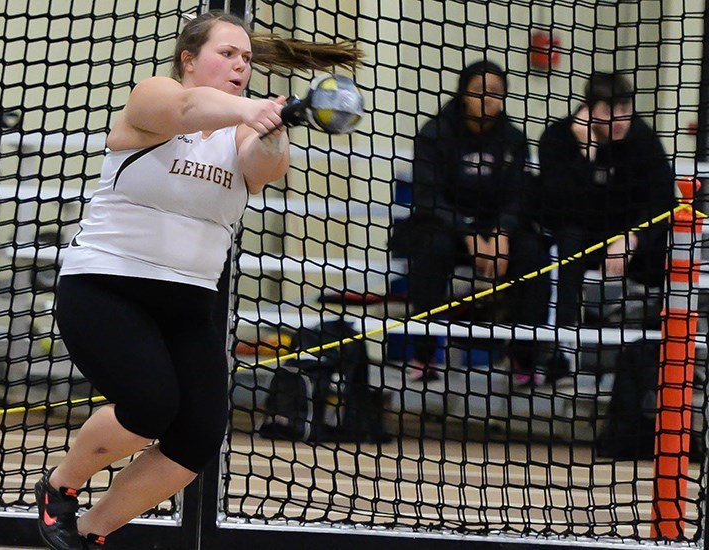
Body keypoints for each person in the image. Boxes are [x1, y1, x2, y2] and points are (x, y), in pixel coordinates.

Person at [34, 11, 363, 550]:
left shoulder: (242, 128)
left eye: (247, 59)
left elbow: (263, 169)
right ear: (189, 59)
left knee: (197, 436)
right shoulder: (154, 96)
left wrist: (273, 130)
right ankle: (60, 487)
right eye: (227, 54)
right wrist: (257, 109)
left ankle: (91, 535)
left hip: (190, 302)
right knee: (148, 408)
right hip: (108, 286)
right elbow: (188, 109)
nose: (240, 65)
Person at [389, 60, 551, 385]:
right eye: (479, 91)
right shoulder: (435, 134)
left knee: (534, 253)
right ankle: (424, 354)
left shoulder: (514, 140)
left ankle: (523, 358)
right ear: (464, 94)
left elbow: (519, 195)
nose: (487, 99)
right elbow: (428, 196)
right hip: (444, 230)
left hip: (496, 237)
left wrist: (501, 231)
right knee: (430, 249)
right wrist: (468, 234)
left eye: (495, 93)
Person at [537, 72, 675, 335]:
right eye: (610, 110)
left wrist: (633, 238)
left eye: (625, 109)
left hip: (629, 239)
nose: (620, 119)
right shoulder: (557, 138)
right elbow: (560, 204)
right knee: (567, 244)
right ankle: (561, 351)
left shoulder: (642, 139)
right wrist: (586, 153)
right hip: (580, 238)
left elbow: (662, 200)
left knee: (675, 249)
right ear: (589, 109)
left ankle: (657, 344)